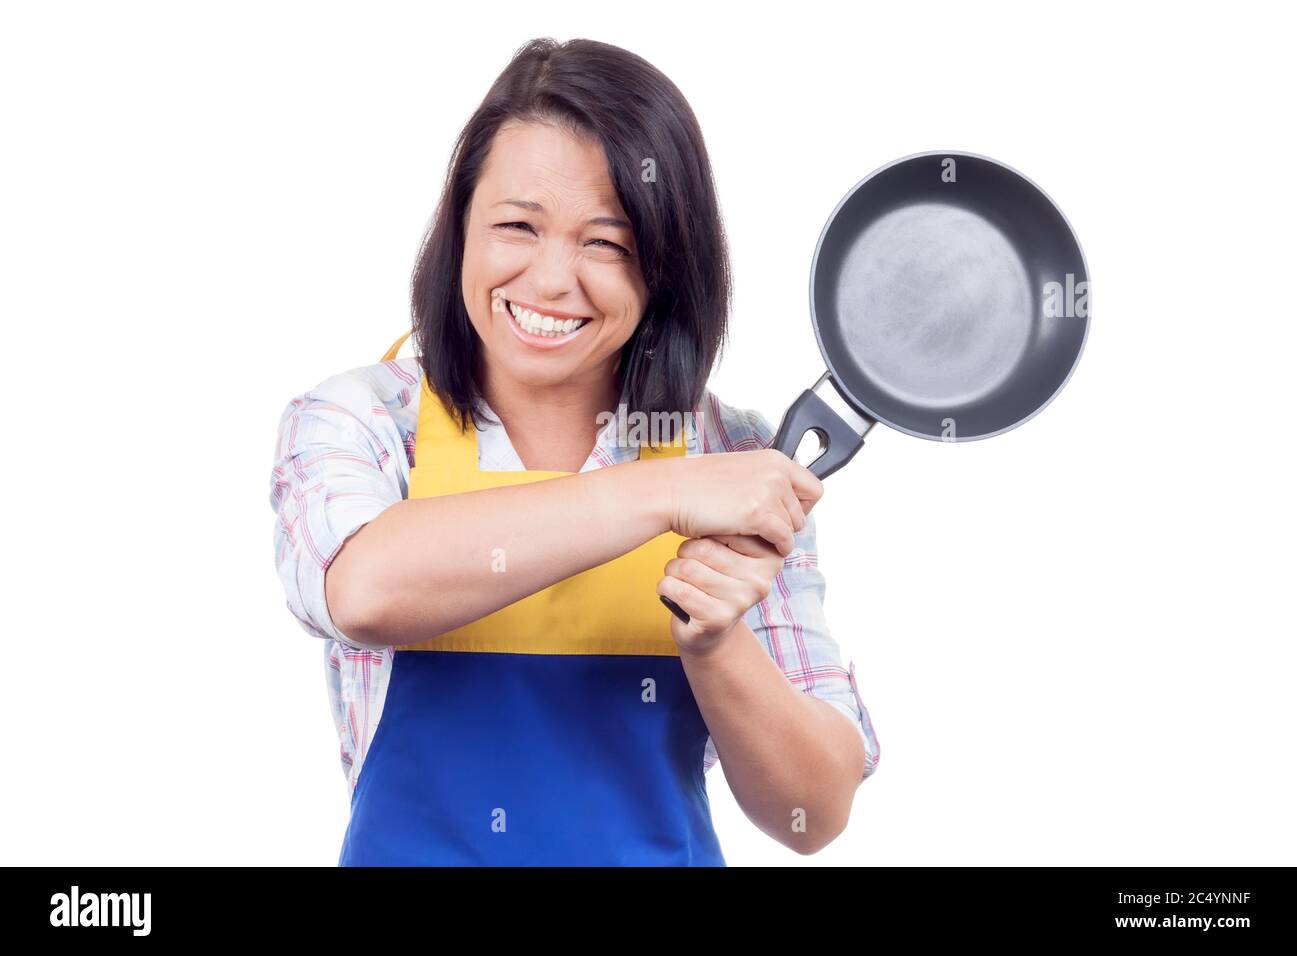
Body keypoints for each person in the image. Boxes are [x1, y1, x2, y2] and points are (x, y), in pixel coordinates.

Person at [269, 37, 880, 866]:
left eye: (606, 243)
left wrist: (717, 644)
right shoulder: (365, 420)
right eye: (518, 226)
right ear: (460, 230)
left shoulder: (732, 454)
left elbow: (813, 813)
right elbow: (363, 590)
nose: (553, 280)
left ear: (665, 269)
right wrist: (659, 498)